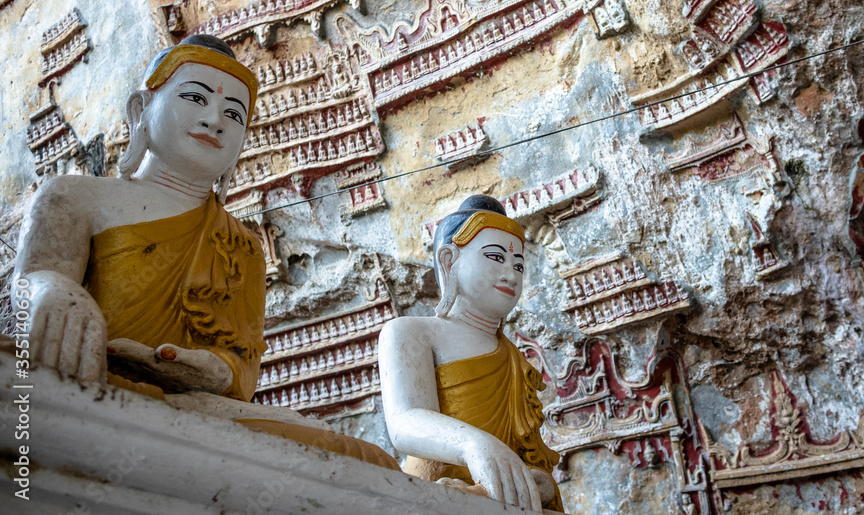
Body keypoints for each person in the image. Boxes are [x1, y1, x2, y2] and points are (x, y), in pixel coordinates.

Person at [17, 34, 397, 470]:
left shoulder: (243, 246)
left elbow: (242, 371)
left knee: (367, 460)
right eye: (195, 98)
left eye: (233, 114)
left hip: (194, 406)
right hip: (93, 379)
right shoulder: (75, 197)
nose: (215, 120)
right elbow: (32, 282)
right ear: (141, 110)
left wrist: (210, 369)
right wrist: (55, 292)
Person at [378, 195, 562, 512]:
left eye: (518, 265)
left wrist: (532, 480)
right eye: (496, 257)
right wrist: (474, 444)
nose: (511, 275)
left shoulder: (513, 358)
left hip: (494, 497)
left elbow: (524, 456)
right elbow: (404, 422)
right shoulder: (411, 331)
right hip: (434, 494)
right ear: (449, 260)